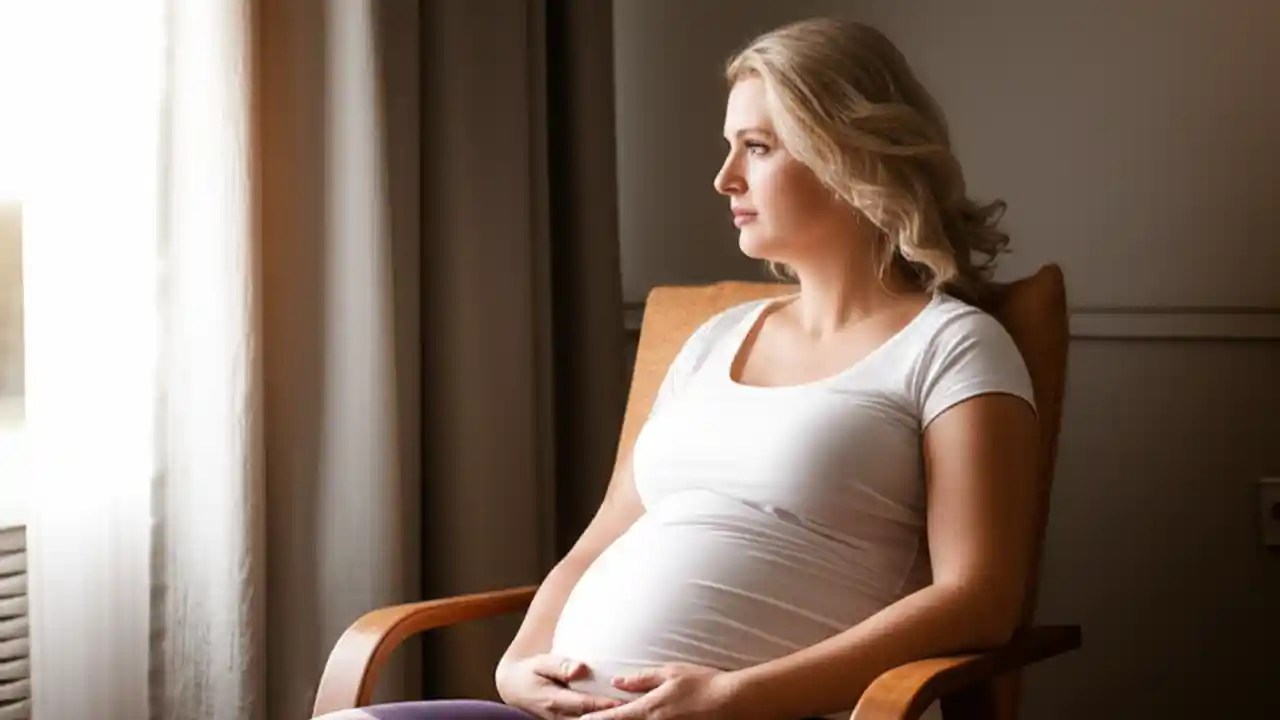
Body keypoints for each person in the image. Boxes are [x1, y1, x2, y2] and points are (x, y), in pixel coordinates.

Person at [320, 16, 1038, 720]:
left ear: (851, 153)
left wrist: (738, 697)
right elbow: (599, 541)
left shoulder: (952, 348)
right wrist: (515, 666)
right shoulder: (713, 340)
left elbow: (978, 598)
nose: (724, 178)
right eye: (730, 148)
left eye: (756, 148)